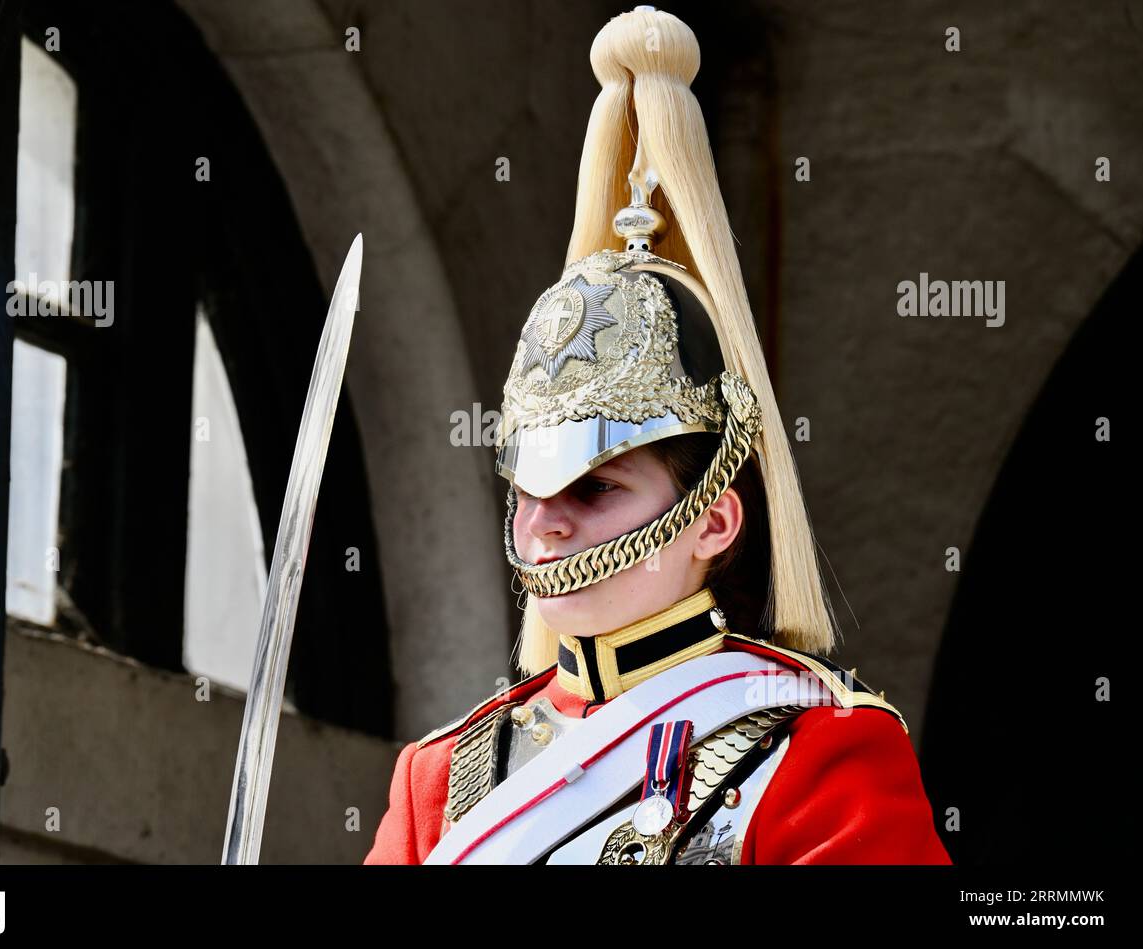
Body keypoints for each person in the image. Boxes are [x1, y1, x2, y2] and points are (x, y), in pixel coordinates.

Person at [364, 7, 950, 866]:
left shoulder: (817, 752)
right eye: (529, 490)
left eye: (595, 487)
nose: (545, 525)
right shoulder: (439, 778)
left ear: (714, 518)